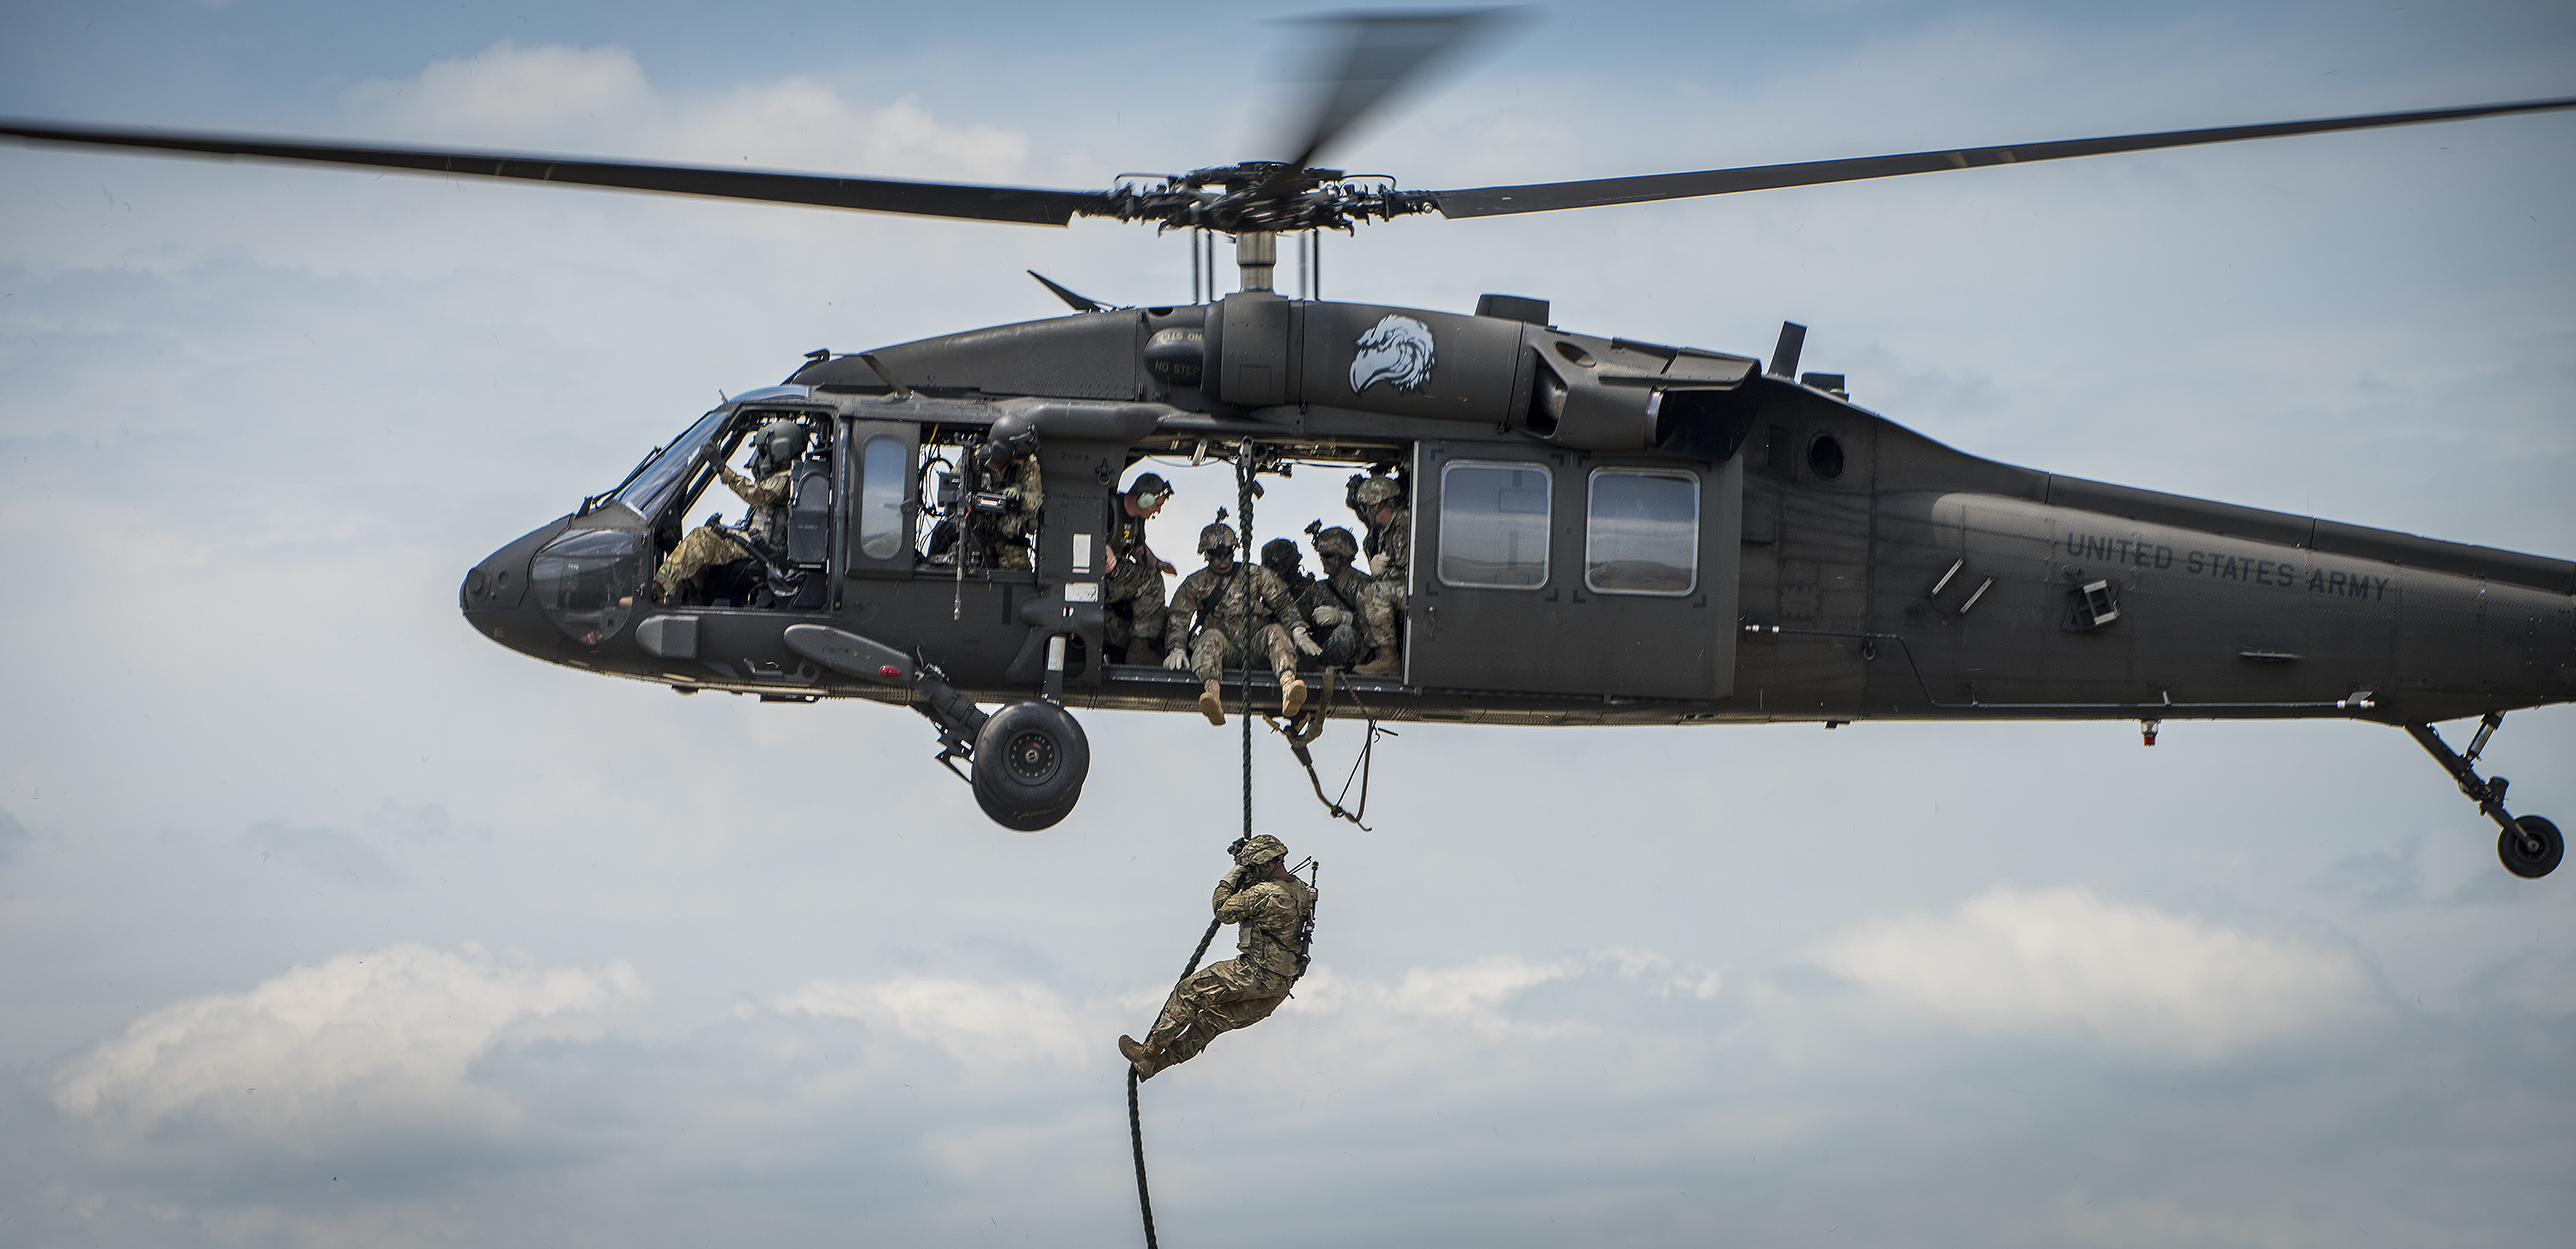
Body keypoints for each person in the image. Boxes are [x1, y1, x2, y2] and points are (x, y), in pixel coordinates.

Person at [1119, 834, 1314, 1080]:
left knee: (1189, 992)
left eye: (1255, 867)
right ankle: (1155, 1067)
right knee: (1211, 1022)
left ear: (1267, 865)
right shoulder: (1302, 890)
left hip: (1256, 975)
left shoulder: (1264, 893)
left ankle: (1147, 1055)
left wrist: (1236, 872)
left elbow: (1222, 908)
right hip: (1281, 986)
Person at [1163, 517, 1322, 725]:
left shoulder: (1254, 574)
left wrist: (1298, 631)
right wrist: (1176, 647)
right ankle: (1212, 696)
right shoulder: (1196, 583)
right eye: (1216, 554)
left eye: (1227, 553)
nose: (1223, 559)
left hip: (1254, 647)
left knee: (1275, 630)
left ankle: (1289, 687)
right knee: (1209, 637)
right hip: (1223, 650)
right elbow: (1179, 617)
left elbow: (1283, 603)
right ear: (1206, 555)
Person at [652, 418, 805, 604]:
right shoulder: (788, 477)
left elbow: (756, 495)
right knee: (709, 537)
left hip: (763, 549)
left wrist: (722, 468)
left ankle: (655, 593)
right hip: (757, 543)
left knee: (701, 540)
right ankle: (687, 593)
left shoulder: (787, 480)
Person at [1262, 532, 1367, 670]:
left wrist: (1345, 618)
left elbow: (1379, 627)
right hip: (1322, 653)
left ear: (1345, 556)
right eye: (1321, 554)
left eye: (1328, 555)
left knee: (1345, 633)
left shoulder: (1365, 585)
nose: (1322, 559)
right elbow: (1294, 616)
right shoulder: (1317, 589)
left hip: (1358, 653)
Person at [1103, 472, 1176, 665]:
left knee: (1154, 575)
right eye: (1157, 505)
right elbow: (1086, 531)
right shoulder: (1109, 507)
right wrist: (1104, 548)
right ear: (1145, 499)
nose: (1158, 511)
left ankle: (1139, 645)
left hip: (1114, 576)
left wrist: (1158, 564)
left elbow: (1138, 549)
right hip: (1095, 574)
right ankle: (1139, 649)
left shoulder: (1137, 520)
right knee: (1152, 582)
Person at [1348, 471, 1409, 676]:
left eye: (1368, 508)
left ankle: (1389, 659)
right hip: (1400, 586)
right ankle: (1378, 654)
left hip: (1413, 588)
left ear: (1381, 504)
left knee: (1375, 593)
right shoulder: (1385, 531)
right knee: (1364, 594)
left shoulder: (1403, 523)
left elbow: (1405, 569)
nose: (1366, 514)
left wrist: (1381, 574)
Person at [969, 430, 1043, 571]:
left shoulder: (1028, 463)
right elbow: (953, 491)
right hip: (974, 538)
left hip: (1009, 542)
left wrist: (1019, 498)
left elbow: (1035, 501)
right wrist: (978, 499)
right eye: (1018, 456)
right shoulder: (975, 458)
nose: (1022, 460)